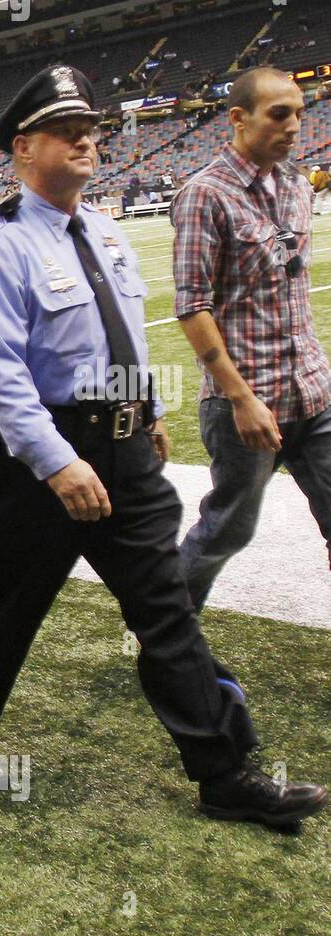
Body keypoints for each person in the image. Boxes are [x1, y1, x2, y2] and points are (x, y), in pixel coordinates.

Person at [0, 65, 326, 829]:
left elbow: (122, 335)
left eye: (91, 128)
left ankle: (224, 773)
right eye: (65, 130)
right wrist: (57, 462)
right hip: (37, 467)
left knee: (167, 610)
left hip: (125, 455)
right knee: (4, 615)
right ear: (23, 147)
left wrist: (143, 410)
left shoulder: (107, 231)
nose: (87, 139)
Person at [172, 68, 331, 609]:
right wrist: (240, 399)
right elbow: (192, 307)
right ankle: (163, 626)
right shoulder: (205, 195)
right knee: (227, 531)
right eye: (279, 114)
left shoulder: (292, 184)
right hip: (248, 402)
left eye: (299, 113)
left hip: (313, 390)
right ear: (238, 118)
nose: (294, 126)